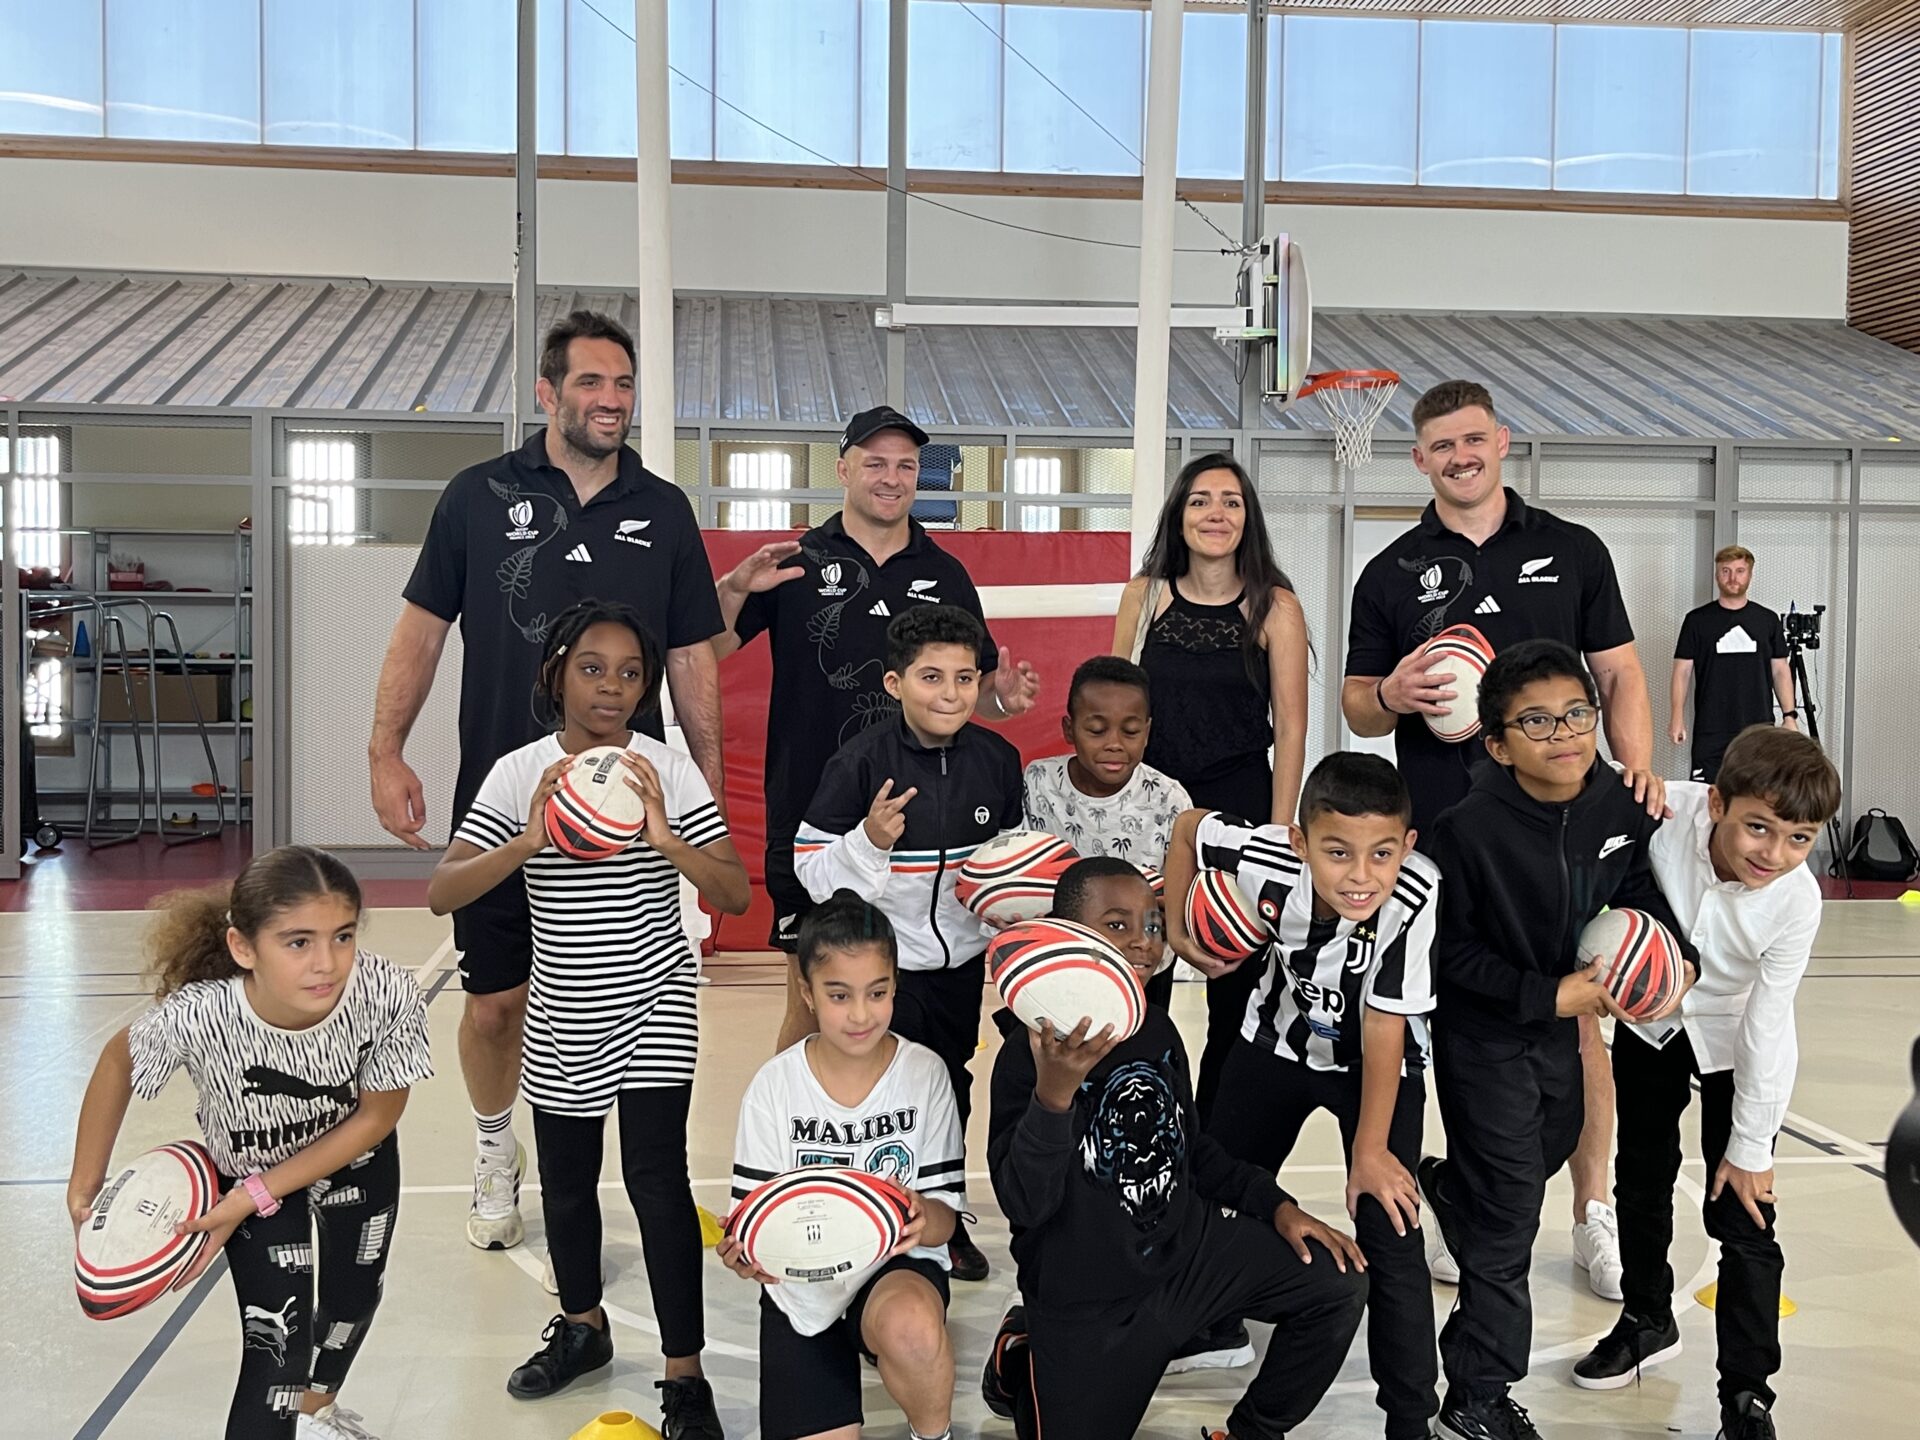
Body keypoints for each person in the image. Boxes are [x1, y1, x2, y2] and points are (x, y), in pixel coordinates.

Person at [370, 310, 726, 1255]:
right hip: (503, 800)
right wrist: (384, 748)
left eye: (623, 386)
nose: (610, 402)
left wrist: (709, 794)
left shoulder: (664, 507)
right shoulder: (477, 496)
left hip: (625, 816)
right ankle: (496, 1147)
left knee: (615, 1000)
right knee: (496, 1001)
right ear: (547, 392)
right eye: (590, 384)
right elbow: (421, 631)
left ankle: (619, 1180)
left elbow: (693, 655)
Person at [1342, 377, 1665, 1300]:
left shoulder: (1571, 550)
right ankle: (1478, 1203)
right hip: (1451, 836)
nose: (1460, 457)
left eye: (1473, 439)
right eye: (1441, 446)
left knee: (1585, 1017)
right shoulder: (1394, 572)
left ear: (1503, 441)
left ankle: (1591, 1211)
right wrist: (1393, 695)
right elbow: (1358, 705)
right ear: (1419, 459)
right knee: (1461, 1022)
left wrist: (1634, 770)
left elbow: (1620, 675)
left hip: (1574, 826)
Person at [427, 599, 747, 1437]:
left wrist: (664, 835)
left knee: (656, 1180)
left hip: (656, 998)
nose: (613, 686)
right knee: (566, 1184)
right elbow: (442, 891)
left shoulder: (665, 770)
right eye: (593, 667)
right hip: (565, 1004)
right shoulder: (519, 772)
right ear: (556, 673)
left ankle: (684, 1376)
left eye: (632, 673)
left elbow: (734, 892)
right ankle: (583, 1329)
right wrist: (530, 838)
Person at [1415, 640, 1698, 1440]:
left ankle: (1451, 1189)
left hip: (1557, 1037)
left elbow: (1641, 895)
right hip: (1485, 1035)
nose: (1565, 733)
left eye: (1577, 713)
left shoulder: (1619, 804)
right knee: (1508, 1217)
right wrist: (1549, 994)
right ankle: (1475, 1397)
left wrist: (1675, 961)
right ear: (1497, 743)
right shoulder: (1466, 829)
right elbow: (1449, 958)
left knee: (1545, 1154)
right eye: (1535, 722)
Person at [981, 857, 1368, 1440]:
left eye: (1155, 924)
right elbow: (1025, 1206)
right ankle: (1022, 1350)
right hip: (1090, 1301)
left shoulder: (1156, 1027)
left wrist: (1277, 1204)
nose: (1143, 941)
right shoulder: (1027, 1053)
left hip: (1187, 1259)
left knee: (1337, 1283)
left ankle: (1252, 1434)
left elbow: (1192, 1150)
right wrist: (1053, 1099)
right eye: (1118, 925)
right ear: (1068, 934)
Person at [66, 847, 431, 1440]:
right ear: (243, 948)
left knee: (352, 1303)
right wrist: (84, 1187)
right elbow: (116, 1063)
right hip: (254, 1183)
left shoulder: (386, 994)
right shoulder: (203, 1016)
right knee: (276, 1355)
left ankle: (316, 1415)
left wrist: (256, 1191)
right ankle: (293, 1405)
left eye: (342, 936)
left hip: (356, 1160)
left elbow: (378, 1115)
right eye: (298, 942)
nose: (327, 963)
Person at [710, 405, 1039, 1051]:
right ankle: (797, 1145)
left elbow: (975, 694)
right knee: (814, 1002)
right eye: (875, 462)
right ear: (843, 469)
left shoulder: (944, 574)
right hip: (817, 817)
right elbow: (712, 648)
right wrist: (733, 587)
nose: (891, 478)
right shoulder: (798, 561)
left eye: (906, 465)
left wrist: (1002, 700)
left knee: (910, 1013)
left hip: (921, 830)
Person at [1163, 751, 1442, 1440]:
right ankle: (1211, 1324)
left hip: (1378, 1063)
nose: (1361, 875)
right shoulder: (1266, 859)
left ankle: (1410, 1419)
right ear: (1299, 842)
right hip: (1274, 1045)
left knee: (1391, 1226)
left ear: (1407, 847)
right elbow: (1186, 828)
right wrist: (1177, 931)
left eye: (1382, 854)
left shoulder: (1417, 892)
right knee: (1211, 1185)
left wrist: (1370, 1152)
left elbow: (1384, 1026)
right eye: (1338, 852)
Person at [1573, 726, 1838, 1440]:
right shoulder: (1664, 815)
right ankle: (1645, 1319)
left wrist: (1753, 1145)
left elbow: (1770, 1024)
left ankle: (1747, 1397)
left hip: (1733, 1031)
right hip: (1650, 1017)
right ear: (1717, 802)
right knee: (1643, 1173)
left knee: (1745, 1211)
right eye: (1758, 828)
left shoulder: (1796, 902)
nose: (1773, 855)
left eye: (1798, 839)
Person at [793, 603, 1022, 1283]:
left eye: (963, 678)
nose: (949, 694)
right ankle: (860, 1216)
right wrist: (870, 842)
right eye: (930, 678)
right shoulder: (862, 762)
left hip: (958, 969)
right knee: (874, 1095)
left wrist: (1003, 915)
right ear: (894, 684)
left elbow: (1010, 863)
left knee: (948, 1090)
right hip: (882, 971)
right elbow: (811, 870)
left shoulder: (998, 761)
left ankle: (942, 1218)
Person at [1111, 452, 1312, 1125]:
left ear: (1247, 518)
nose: (1216, 513)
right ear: (1179, 514)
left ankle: (1219, 1145)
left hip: (1240, 810)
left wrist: (1278, 834)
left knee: (1237, 986)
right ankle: (1145, 1126)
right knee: (1145, 975)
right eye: (1200, 500)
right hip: (1152, 814)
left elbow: (1290, 727)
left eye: (1230, 500)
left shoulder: (1275, 606)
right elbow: (1113, 706)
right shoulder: (1144, 597)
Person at [722, 892, 965, 1440]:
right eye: (839, 995)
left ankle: (934, 1435)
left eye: (876, 993)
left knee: (912, 1330)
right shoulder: (775, 1087)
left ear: (895, 985)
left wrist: (925, 1214)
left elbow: (947, 1222)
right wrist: (746, 1252)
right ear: (807, 993)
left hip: (893, 1273)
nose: (860, 1014)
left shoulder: (924, 1075)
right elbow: (750, 1224)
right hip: (800, 1286)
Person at [1020, 654, 1192, 1010]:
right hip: (1060, 963)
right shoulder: (1038, 783)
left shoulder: (1169, 798)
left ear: (1147, 731)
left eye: (1130, 731)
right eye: (1097, 730)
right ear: (1069, 729)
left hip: (1144, 967)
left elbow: (1179, 894)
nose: (1114, 743)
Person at [1670, 546, 1797, 783]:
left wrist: (1789, 716)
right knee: (1707, 799)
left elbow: (1780, 670)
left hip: (1758, 728)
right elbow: (1682, 671)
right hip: (1710, 729)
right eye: (1725, 571)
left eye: (1740, 571)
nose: (1732, 578)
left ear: (1750, 575)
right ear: (1717, 574)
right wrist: (1676, 716)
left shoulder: (1767, 620)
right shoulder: (1696, 621)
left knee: (1757, 797)